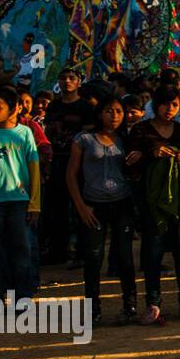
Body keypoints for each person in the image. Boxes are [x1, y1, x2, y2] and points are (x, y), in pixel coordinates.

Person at [126, 86, 180, 322]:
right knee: (154, 253)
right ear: (155, 105)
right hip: (151, 202)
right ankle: (153, 303)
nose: (170, 109)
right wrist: (151, 154)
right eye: (165, 104)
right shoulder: (141, 130)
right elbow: (130, 164)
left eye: (175, 105)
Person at [67, 96, 135, 325]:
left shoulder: (128, 138)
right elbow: (71, 174)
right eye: (108, 110)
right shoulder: (83, 139)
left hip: (122, 202)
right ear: (99, 114)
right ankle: (92, 310)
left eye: (118, 111)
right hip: (92, 205)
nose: (114, 115)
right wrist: (80, 206)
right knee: (93, 258)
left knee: (125, 257)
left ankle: (130, 306)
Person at [0, 86, 42, 302]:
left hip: (20, 203)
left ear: (13, 109)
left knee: (22, 251)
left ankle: (23, 298)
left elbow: (34, 169)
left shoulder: (25, 133)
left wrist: (35, 203)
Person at [43, 68, 93, 267]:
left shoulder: (86, 107)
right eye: (63, 78)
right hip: (57, 161)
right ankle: (57, 252)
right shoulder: (54, 105)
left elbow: (89, 136)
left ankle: (82, 253)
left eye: (71, 78)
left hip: (79, 163)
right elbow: (47, 132)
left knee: (80, 207)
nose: (67, 81)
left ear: (79, 82)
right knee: (56, 209)